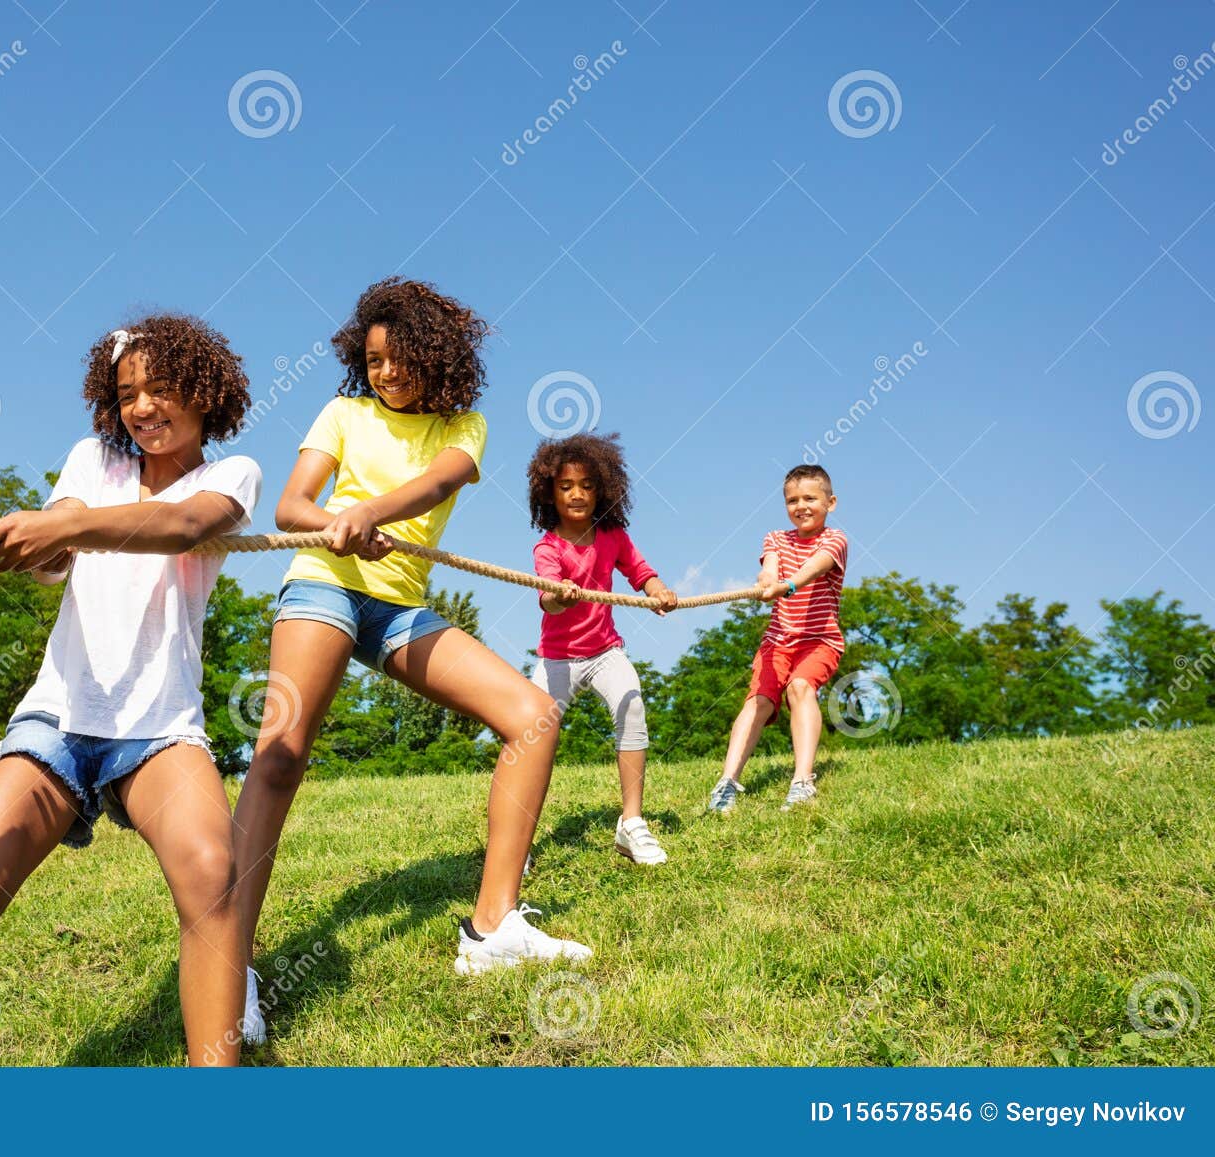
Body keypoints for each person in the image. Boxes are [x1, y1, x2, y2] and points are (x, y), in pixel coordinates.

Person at [0, 314, 260, 1066]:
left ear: (205, 390)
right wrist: (41, 539)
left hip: (160, 729)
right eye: (127, 394)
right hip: (57, 718)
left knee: (213, 877)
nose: (143, 407)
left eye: (160, 387)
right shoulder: (93, 460)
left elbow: (182, 525)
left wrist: (68, 530)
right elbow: (60, 538)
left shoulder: (231, 474)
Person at [231, 276, 590, 1046]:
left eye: (400, 359)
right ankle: (229, 963)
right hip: (324, 585)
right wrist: (341, 522)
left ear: (436, 355)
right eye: (374, 361)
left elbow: (440, 479)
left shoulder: (466, 426)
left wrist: (374, 512)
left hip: (398, 608)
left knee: (532, 715)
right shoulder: (344, 413)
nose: (386, 373)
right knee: (281, 755)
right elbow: (291, 508)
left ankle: (492, 928)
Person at [527, 432, 678, 864]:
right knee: (532, 734)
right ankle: (522, 837)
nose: (578, 494)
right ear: (549, 493)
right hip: (557, 658)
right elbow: (546, 598)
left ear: (603, 490)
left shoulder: (612, 535)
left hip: (605, 651)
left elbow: (640, 571)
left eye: (588, 486)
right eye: (566, 486)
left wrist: (658, 590)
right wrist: (560, 594)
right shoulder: (548, 547)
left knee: (632, 704)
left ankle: (631, 824)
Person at [707, 464, 848, 813]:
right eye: (792, 500)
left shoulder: (836, 539)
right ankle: (726, 784)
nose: (801, 506)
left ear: (830, 503)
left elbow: (815, 566)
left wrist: (787, 585)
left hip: (820, 641)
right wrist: (767, 580)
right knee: (759, 701)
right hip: (777, 641)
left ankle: (802, 782)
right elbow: (769, 566)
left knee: (800, 688)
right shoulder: (776, 538)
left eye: (810, 498)